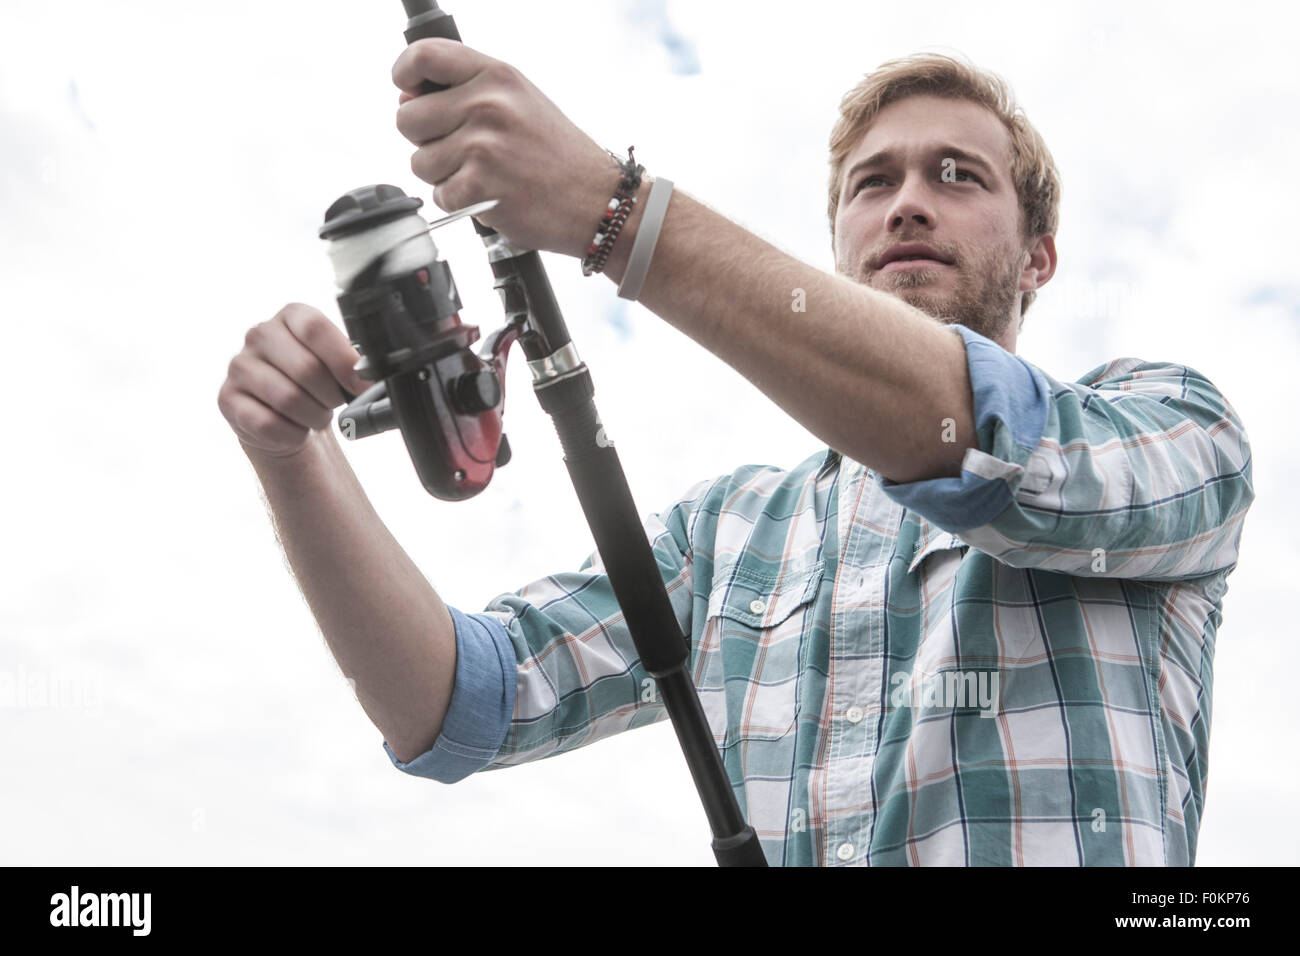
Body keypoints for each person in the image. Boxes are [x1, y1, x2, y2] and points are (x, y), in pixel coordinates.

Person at [217, 43, 1255, 866]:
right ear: (836, 249)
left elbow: (980, 435)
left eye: (957, 175)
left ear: (1038, 255)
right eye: (870, 182)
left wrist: (611, 211)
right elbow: (455, 702)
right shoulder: (723, 533)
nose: (905, 201)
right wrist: (292, 455)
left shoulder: (1171, 422)